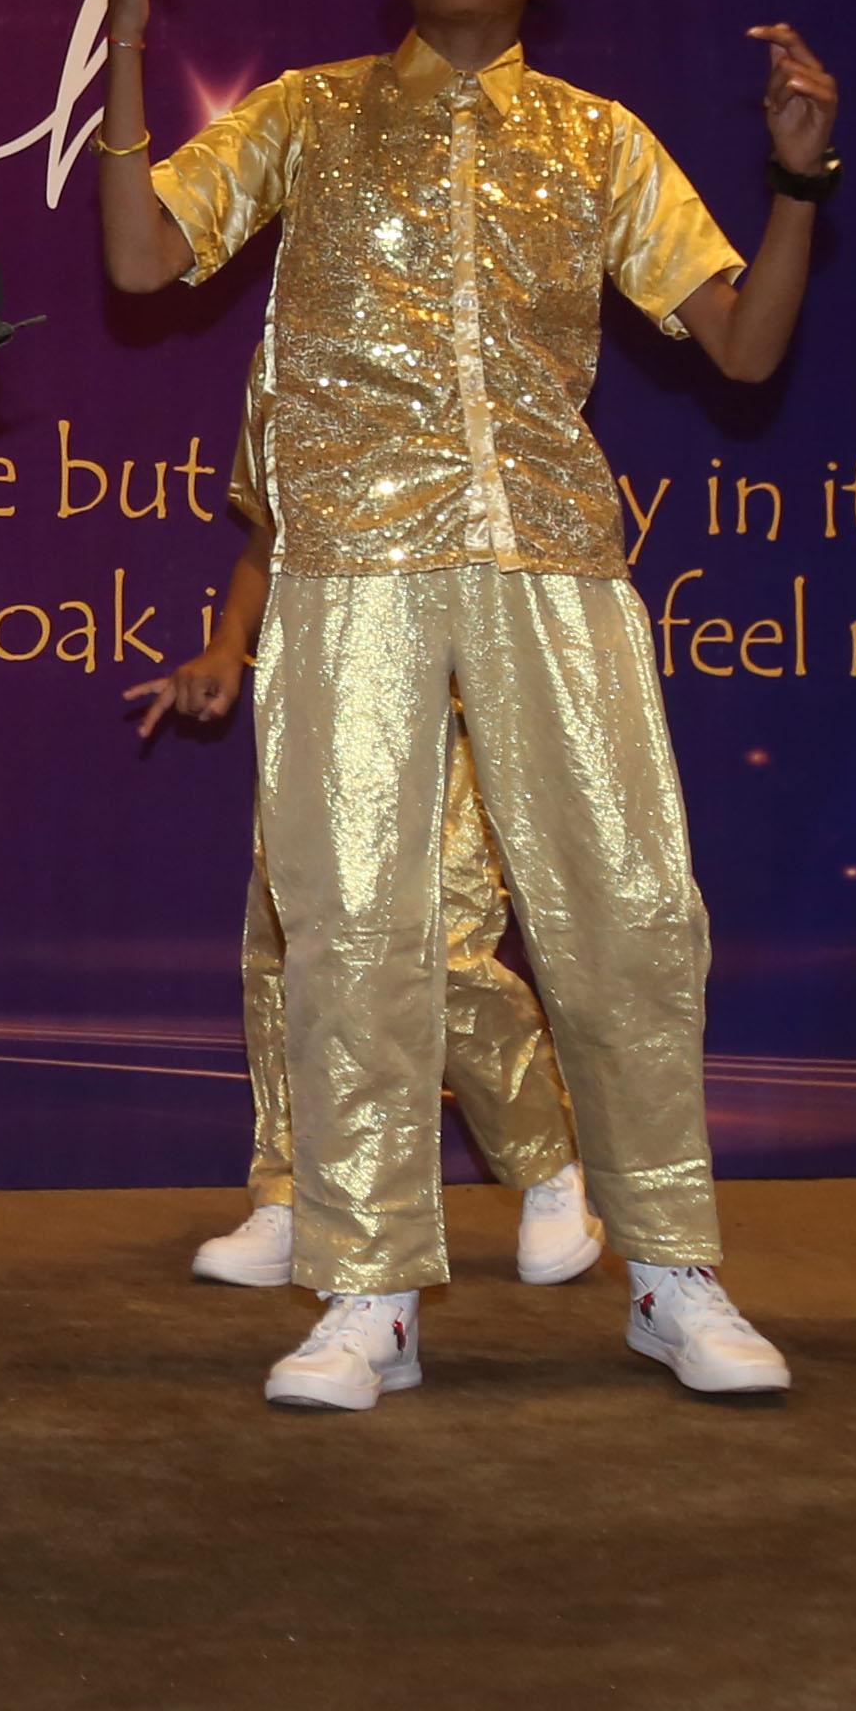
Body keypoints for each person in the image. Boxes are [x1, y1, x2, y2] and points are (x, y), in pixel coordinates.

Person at [91, 0, 824, 1414]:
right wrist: (131, 34)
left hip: (552, 564)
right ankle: (367, 1290)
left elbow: (745, 349)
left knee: (629, 911)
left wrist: (794, 180)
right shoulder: (304, 116)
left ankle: (674, 1271)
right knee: (355, 921)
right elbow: (142, 258)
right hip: (352, 566)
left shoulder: (601, 139)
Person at [129, 354, 599, 1302]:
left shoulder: (478, 349)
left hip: (457, 699)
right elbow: (272, 539)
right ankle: (294, 1191)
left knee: (447, 945)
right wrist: (229, 647)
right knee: (292, 946)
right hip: (326, 701)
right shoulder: (290, 368)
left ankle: (550, 1172)